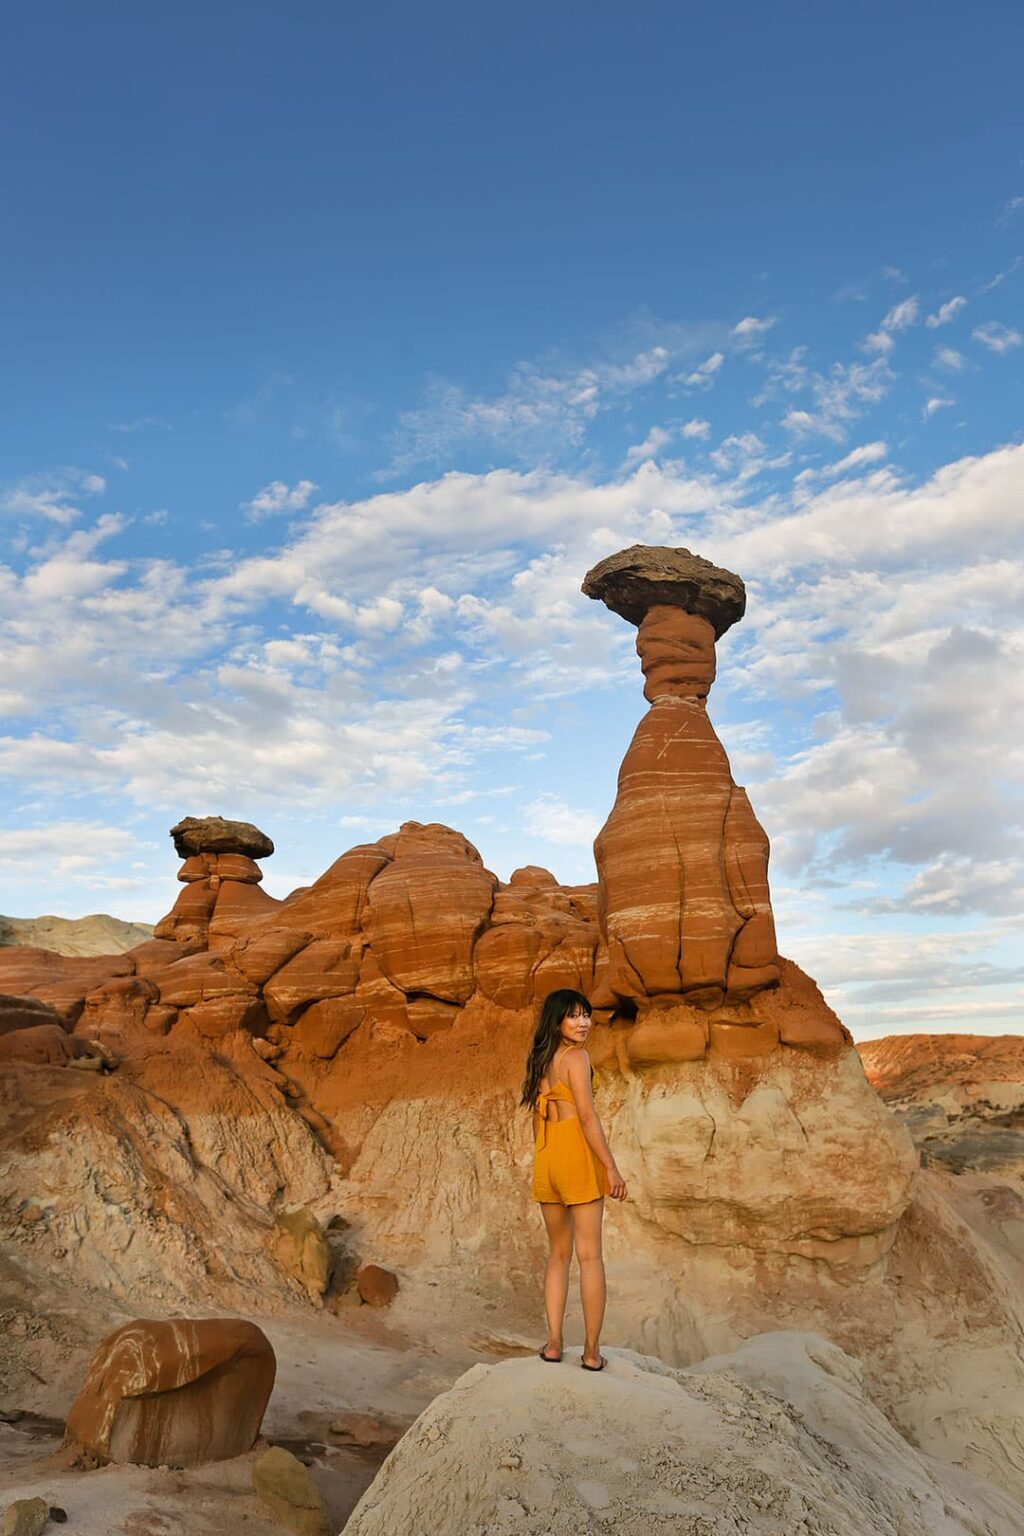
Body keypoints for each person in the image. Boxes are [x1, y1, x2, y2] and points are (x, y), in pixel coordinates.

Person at [520, 988, 627, 1371]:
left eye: (586, 1015)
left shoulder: (541, 1058)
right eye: (573, 1016)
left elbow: (538, 1118)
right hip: (575, 1155)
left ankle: (553, 1344)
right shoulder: (576, 1057)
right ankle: (592, 1353)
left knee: (558, 1253)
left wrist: (544, 1160)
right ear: (557, 1021)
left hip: (547, 1157)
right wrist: (610, 1167)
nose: (583, 1023)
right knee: (590, 1256)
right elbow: (586, 1116)